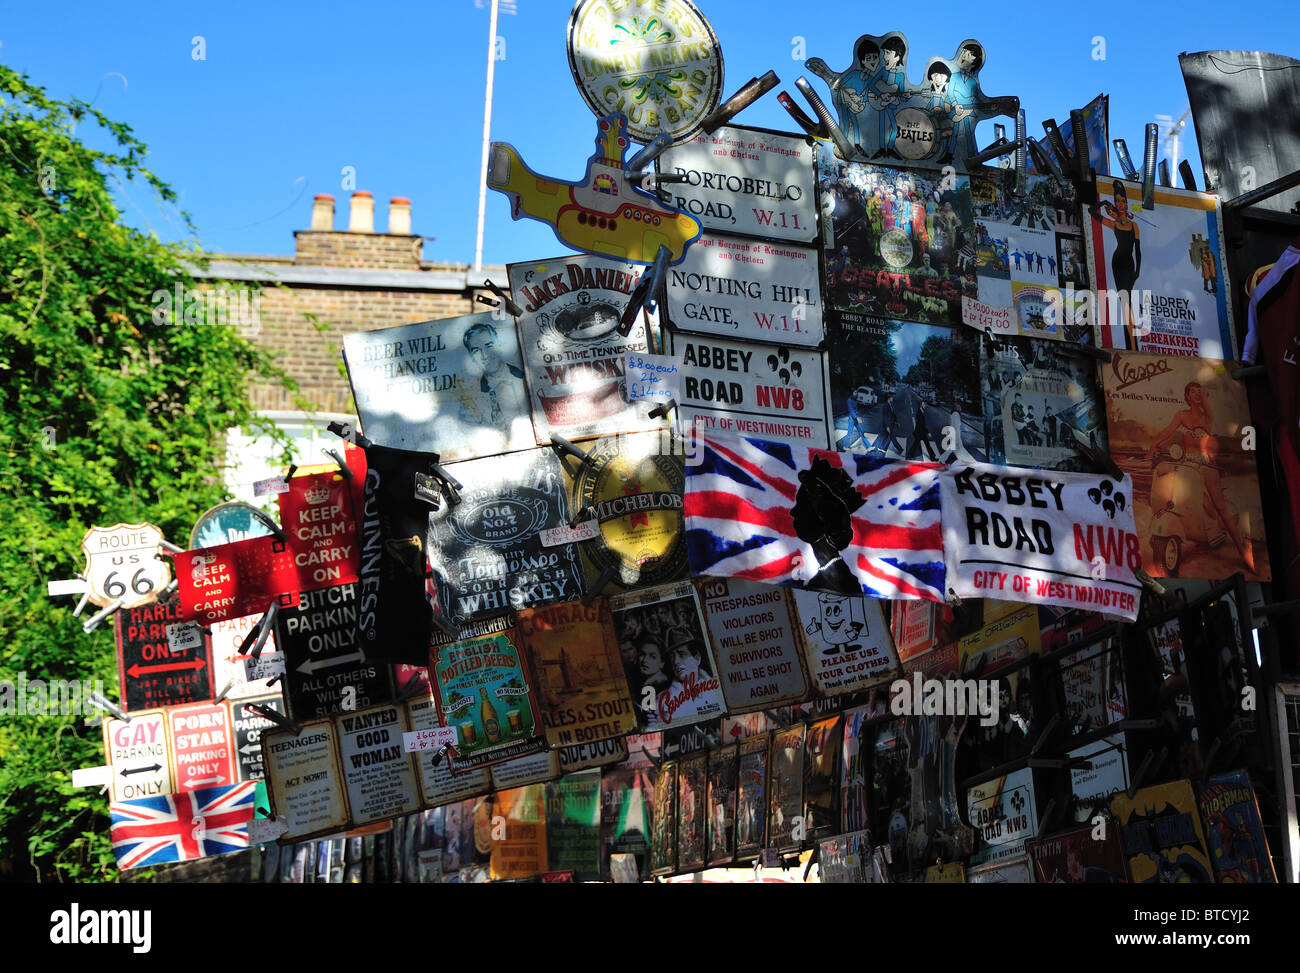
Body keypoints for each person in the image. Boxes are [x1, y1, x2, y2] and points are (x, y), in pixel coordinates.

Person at [1145, 381, 1257, 573]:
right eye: (1192, 392)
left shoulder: (1207, 416)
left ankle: (1243, 550)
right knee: (1172, 496)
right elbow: (1167, 431)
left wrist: (1204, 396)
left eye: (1199, 392)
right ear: (1186, 396)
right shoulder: (1181, 415)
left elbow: (1207, 404)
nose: (1196, 394)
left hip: (1205, 464)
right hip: (1186, 463)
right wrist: (1153, 446)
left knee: (1221, 508)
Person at [1094, 181, 1142, 341]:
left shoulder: (1134, 225)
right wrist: (1103, 202)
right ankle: (1130, 342)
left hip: (1130, 265)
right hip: (1118, 264)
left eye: (1123, 201)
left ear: (1127, 204)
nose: (1120, 204)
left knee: (1130, 302)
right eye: (1117, 201)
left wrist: (1137, 272)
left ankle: (1133, 341)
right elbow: (1091, 211)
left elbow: (1138, 250)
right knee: (1125, 301)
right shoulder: (1114, 224)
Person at [461, 321, 525, 425]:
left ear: (499, 345)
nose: (484, 356)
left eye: (489, 346)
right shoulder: (471, 401)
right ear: (472, 358)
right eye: (476, 351)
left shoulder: (524, 376)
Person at [871, 36, 908, 160]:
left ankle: (890, 148)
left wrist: (906, 97)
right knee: (882, 126)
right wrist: (881, 94)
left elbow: (902, 95)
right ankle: (882, 149)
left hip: (892, 106)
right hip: (881, 103)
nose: (885, 56)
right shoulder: (883, 71)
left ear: (898, 56)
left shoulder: (900, 75)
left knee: (895, 127)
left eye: (888, 53)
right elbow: (870, 85)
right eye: (884, 53)